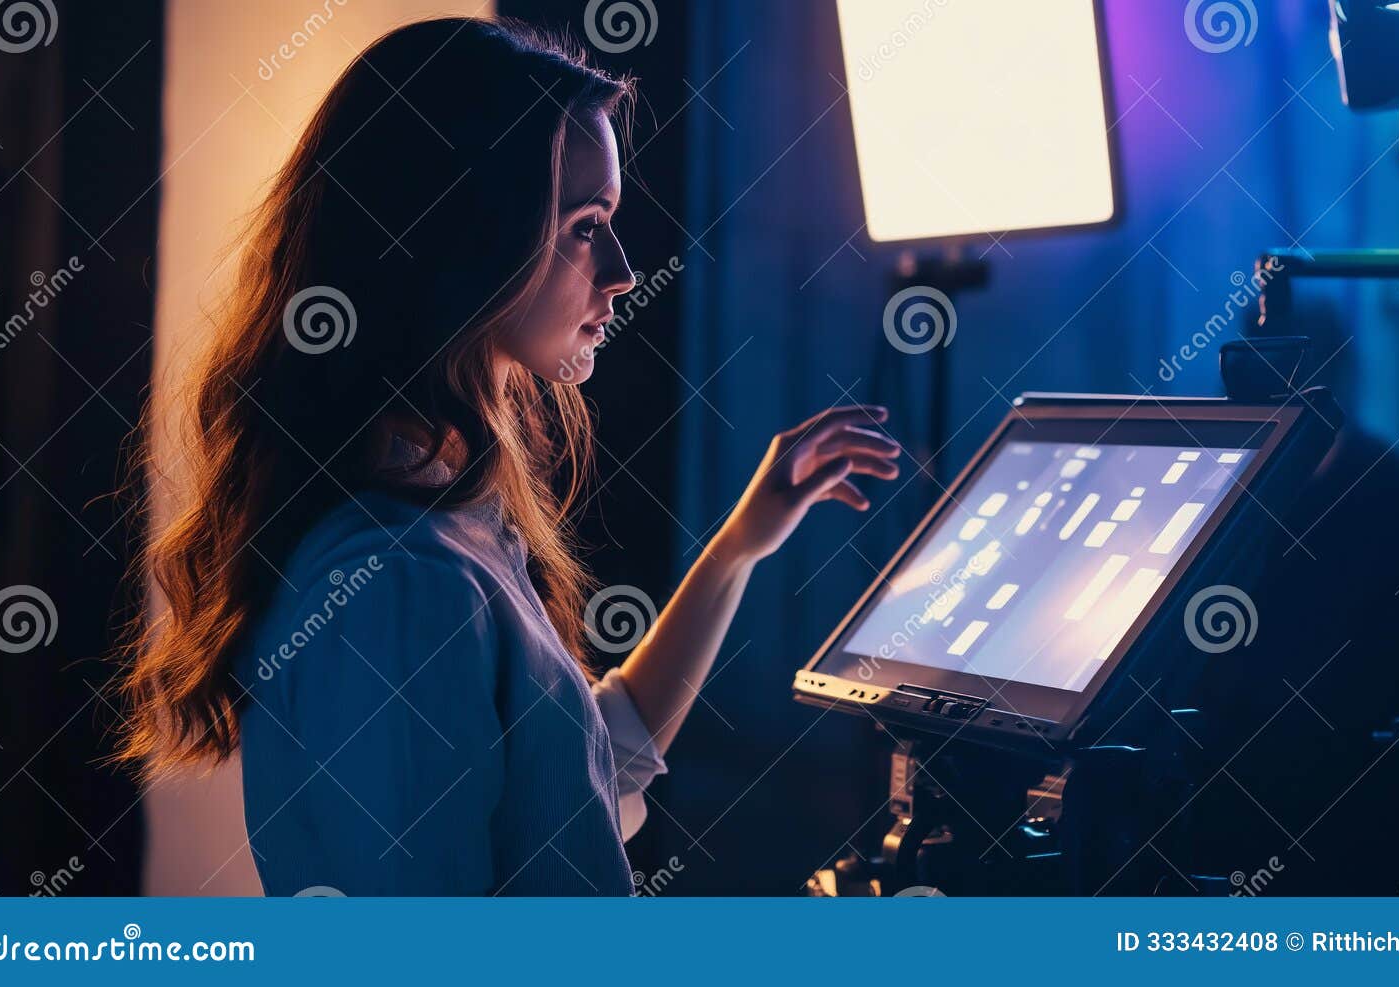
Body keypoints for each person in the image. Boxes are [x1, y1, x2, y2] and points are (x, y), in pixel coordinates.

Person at [115, 17, 901, 896]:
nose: (623, 269)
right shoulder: (403, 583)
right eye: (584, 225)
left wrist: (739, 545)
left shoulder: (445, 529)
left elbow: (593, 771)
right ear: (463, 241)